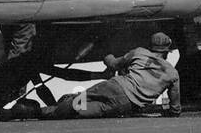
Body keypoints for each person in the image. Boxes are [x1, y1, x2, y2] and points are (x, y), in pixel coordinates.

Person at [34, 32, 180, 119]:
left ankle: (38, 111)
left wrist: (105, 50)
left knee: (77, 102)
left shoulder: (139, 52)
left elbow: (113, 64)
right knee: (81, 111)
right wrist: (172, 113)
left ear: (151, 46)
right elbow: (175, 107)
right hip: (124, 105)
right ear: (167, 51)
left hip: (113, 86)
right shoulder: (173, 73)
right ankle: (45, 111)